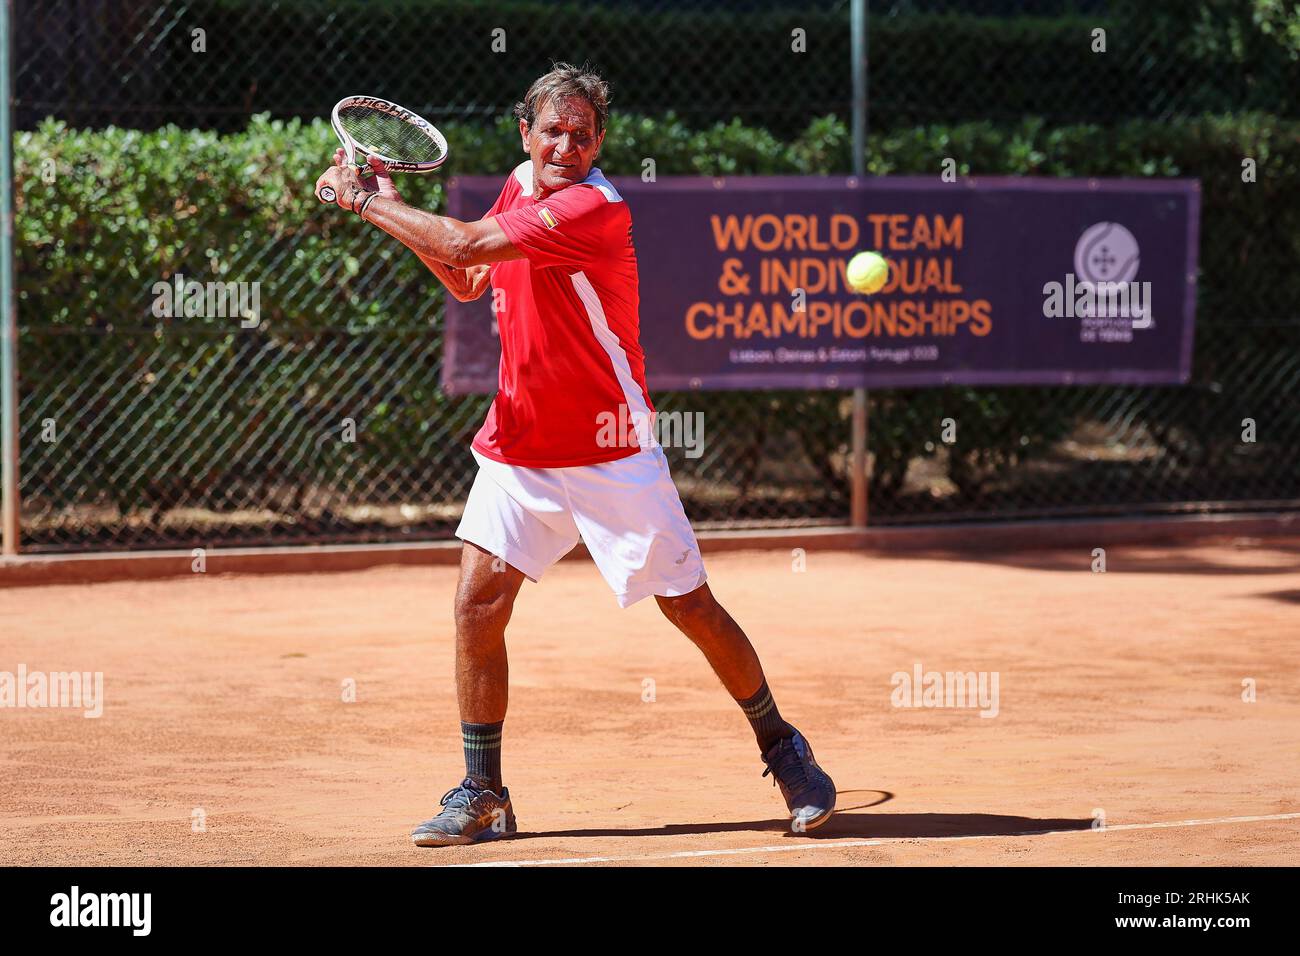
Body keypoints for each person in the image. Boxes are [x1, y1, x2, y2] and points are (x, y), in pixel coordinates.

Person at [314, 63, 835, 847]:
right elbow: (464, 276)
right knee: (476, 606)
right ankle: (483, 793)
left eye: (581, 134)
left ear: (599, 145)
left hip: (608, 446)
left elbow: (457, 240)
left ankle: (784, 747)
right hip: (521, 445)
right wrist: (383, 204)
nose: (565, 145)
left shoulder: (593, 208)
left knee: (688, 605)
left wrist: (363, 199)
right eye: (551, 130)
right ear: (526, 133)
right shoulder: (520, 185)